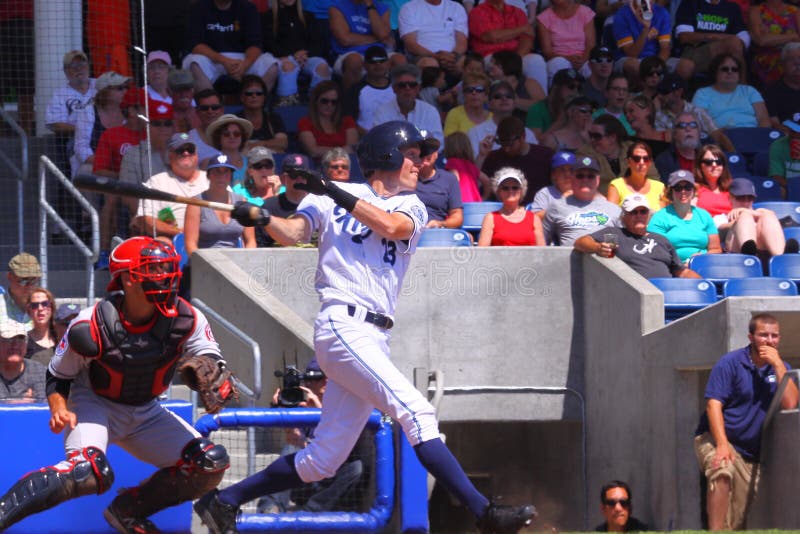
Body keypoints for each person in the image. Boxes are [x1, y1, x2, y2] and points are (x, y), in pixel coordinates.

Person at [194, 120, 537, 534]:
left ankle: (224, 500)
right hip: (343, 323)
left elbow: (390, 227)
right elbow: (294, 232)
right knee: (418, 412)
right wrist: (264, 217)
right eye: (412, 153)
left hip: (375, 334)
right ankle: (486, 515)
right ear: (388, 155)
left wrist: (329, 189)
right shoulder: (325, 200)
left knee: (324, 460)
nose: (420, 161)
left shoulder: (413, 205)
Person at [0, 237, 238, 533]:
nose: (163, 277)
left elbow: (210, 354)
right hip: (94, 404)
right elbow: (57, 375)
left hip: (147, 410)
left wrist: (215, 371)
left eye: (166, 268)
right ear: (126, 278)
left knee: (208, 462)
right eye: (152, 270)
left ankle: (127, 512)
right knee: (88, 472)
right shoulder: (91, 324)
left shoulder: (187, 316)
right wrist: (59, 407)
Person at [694, 314, 798, 530]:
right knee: (721, 470)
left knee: (736, 521)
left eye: (774, 336)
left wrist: (778, 364)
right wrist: (722, 444)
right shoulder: (730, 363)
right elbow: (713, 406)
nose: (769, 340)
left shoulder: (781, 368)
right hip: (716, 438)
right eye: (763, 335)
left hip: (751, 454)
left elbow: (790, 404)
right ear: (751, 336)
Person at [256, 359, 366, 513]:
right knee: (290, 449)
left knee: (357, 468)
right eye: (312, 379)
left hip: (331, 479)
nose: (323, 382)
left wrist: (320, 411)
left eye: (321, 378)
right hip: (305, 477)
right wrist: (285, 415)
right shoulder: (302, 406)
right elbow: (293, 440)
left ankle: (310, 513)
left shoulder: (344, 406)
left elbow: (338, 448)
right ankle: (269, 509)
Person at [575, 193, 701, 279]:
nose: (639, 215)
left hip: (666, 292)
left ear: (649, 215)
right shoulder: (615, 234)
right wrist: (597, 247)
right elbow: (581, 242)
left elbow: (682, 271)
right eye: (633, 212)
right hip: (632, 296)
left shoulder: (661, 240)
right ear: (624, 216)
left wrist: (704, 284)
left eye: (643, 211)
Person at [183, 0, 279, 92]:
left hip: (242, 58)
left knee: (271, 65)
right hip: (211, 58)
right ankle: (211, 105)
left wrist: (245, 65)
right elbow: (195, 45)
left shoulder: (248, 7)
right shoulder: (198, 7)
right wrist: (224, 61)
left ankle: (254, 107)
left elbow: (255, 44)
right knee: (194, 63)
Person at [131, 133, 209, 240]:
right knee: (161, 242)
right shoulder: (156, 182)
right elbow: (145, 220)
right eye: (180, 150)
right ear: (170, 155)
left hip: (210, 239)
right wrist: (179, 232)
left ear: (196, 155)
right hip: (173, 241)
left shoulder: (211, 180)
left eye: (190, 150)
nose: (186, 153)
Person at [184, 153, 257, 256]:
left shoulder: (242, 202)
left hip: (234, 263)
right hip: (205, 263)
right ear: (208, 175)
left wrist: (246, 260)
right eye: (217, 172)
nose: (221, 176)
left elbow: (251, 241)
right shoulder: (196, 203)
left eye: (226, 172)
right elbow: (190, 245)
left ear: (231, 175)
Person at [262, 0, 332, 106]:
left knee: (322, 67)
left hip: (306, 57)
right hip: (281, 57)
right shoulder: (268, 17)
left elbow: (317, 42)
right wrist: (292, 55)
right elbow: (268, 44)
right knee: (288, 66)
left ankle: (317, 103)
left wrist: (305, 54)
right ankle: (287, 106)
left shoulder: (308, 16)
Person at [543, 155, 622, 246]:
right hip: (567, 259)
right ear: (572, 179)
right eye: (580, 176)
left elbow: (621, 244)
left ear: (598, 180)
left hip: (604, 258)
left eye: (590, 176)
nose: (585, 180)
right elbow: (543, 243)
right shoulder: (556, 207)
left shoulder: (614, 210)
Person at [647, 170, 722, 263]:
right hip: (671, 267)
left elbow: (716, 249)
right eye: (678, 188)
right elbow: (655, 250)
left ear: (694, 190)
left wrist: (703, 257)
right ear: (671, 191)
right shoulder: (660, 217)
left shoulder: (704, 216)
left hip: (702, 265)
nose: (683, 191)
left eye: (688, 187)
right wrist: (679, 265)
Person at [467, 0, 544, 90]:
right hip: (491, 56)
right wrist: (522, 29)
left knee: (536, 60)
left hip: (517, 55)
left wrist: (515, 59)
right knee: (498, 66)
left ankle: (540, 100)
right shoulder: (477, 12)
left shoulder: (518, 12)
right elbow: (491, 37)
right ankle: (502, 98)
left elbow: (527, 38)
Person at [328, 0, 402, 92]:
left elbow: (382, 34)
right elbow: (345, 40)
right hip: (347, 54)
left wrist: (370, 6)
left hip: (378, 52)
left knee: (399, 60)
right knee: (354, 60)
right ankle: (351, 101)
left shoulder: (382, 7)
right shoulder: (336, 7)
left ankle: (396, 101)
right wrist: (376, 38)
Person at [481, 116, 554, 206]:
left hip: (540, 210)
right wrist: (482, 155)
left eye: (510, 144)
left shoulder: (545, 155)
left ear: (523, 136)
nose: (506, 149)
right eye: (503, 144)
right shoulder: (494, 158)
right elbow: (479, 183)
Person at [45, 50, 97, 174]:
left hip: (102, 134)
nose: (78, 69)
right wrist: (83, 129)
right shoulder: (60, 94)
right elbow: (55, 124)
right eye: (73, 66)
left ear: (88, 66)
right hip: (75, 138)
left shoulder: (99, 85)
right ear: (66, 72)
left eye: (82, 64)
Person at [72, 71, 130, 179]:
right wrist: (105, 164)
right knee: (85, 172)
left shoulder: (130, 112)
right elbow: (81, 148)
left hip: (127, 165)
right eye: (120, 88)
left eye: (126, 87)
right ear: (105, 92)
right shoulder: (88, 112)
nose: (125, 91)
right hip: (97, 165)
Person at [654, 74, 735, 153]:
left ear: (678, 92)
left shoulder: (698, 112)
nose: (659, 96)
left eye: (664, 92)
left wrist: (734, 155)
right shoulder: (658, 117)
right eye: (659, 91)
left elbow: (718, 136)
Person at [674, 0, 750, 81]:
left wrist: (722, 40)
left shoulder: (732, 7)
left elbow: (744, 38)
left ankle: (740, 89)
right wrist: (715, 37)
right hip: (695, 51)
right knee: (733, 43)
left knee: (735, 44)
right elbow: (684, 37)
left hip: (725, 53)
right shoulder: (690, 3)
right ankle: (742, 89)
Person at [372, 64, 445, 147]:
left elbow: (439, 144)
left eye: (412, 85)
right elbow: (378, 143)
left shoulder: (430, 111)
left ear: (418, 88)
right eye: (402, 85)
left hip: (424, 158)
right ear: (394, 88)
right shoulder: (382, 112)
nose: (407, 88)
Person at [691, 54, 771, 130]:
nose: (730, 72)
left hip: (752, 135)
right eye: (725, 69)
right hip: (719, 137)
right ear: (715, 72)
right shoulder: (702, 94)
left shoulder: (750, 91)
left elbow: (764, 121)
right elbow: (701, 124)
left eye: (734, 69)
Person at [718, 178, 793, 256]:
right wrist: (742, 217)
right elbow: (720, 232)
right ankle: (749, 255)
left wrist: (754, 213)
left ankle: (781, 257)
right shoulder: (721, 218)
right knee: (745, 217)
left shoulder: (762, 215)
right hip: (736, 255)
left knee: (768, 215)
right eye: (740, 198)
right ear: (730, 198)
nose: (746, 202)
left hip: (764, 253)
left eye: (750, 198)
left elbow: (770, 216)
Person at [469, 80, 538, 163]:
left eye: (508, 96)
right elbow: (473, 168)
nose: (504, 98)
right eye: (498, 96)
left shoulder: (528, 133)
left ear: (514, 102)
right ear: (490, 104)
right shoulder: (475, 133)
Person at [478, 167, 545, 246]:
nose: (510, 191)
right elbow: (482, 251)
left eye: (515, 187)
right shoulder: (490, 218)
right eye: (505, 188)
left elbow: (542, 251)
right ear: (498, 191)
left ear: (521, 190)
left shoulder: (534, 219)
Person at [258, 154, 313, 247]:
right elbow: (262, 246)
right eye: (294, 175)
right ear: (283, 178)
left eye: (303, 175)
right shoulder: (269, 207)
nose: (299, 179)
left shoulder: (317, 206)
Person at [398, 0, 468, 74]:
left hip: (453, 56)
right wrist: (436, 56)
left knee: (466, 63)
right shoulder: (409, 8)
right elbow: (410, 44)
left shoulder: (456, 7)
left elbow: (462, 41)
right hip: (422, 56)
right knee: (430, 64)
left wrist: (453, 56)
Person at [119, 102, 175, 190]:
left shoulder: (184, 152)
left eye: (167, 124)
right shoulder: (132, 155)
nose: (162, 128)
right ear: (147, 126)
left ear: (173, 127)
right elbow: (128, 196)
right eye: (156, 123)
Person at [537, 0, 596, 84]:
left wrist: (582, 60)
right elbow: (547, 52)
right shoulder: (544, 17)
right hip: (559, 59)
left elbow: (590, 45)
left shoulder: (585, 12)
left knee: (591, 67)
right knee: (558, 64)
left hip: (583, 57)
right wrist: (568, 59)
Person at [299, 80, 359, 160]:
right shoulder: (305, 123)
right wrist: (342, 151)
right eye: (324, 101)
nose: (329, 105)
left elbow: (352, 150)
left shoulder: (347, 121)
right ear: (316, 101)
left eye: (334, 102)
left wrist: (323, 151)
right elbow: (313, 151)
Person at [612, 0, 672, 80]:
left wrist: (656, 66)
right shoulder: (622, 14)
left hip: (656, 59)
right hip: (628, 59)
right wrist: (645, 29)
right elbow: (632, 54)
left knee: (685, 66)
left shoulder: (662, 12)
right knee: (635, 66)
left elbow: (665, 48)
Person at [344, 45, 395, 134]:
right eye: (372, 61)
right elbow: (349, 122)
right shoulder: (355, 91)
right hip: (365, 141)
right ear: (365, 65)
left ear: (388, 63)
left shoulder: (399, 88)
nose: (378, 64)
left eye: (381, 61)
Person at [748, 0, 800, 86]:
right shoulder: (756, 10)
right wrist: (793, 36)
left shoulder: (796, 11)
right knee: (785, 63)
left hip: (794, 54)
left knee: (793, 61)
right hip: (767, 58)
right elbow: (761, 40)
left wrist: (771, 37)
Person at [415, 140, 464, 228]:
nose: (426, 154)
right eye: (422, 150)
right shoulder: (404, 178)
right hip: (408, 231)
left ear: (436, 154)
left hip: (436, 232)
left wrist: (440, 224)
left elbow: (457, 215)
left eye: (430, 150)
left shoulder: (449, 179)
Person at [526, 68, 584, 138]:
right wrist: (560, 122)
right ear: (557, 87)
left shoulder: (581, 110)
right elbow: (535, 144)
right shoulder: (537, 109)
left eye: (579, 88)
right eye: (571, 86)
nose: (575, 91)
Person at [237, 75, 289, 153]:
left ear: (264, 97)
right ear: (242, 97)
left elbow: (282, 143)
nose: (254, 96)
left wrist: (259, 144)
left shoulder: (273, 118)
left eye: (259, 93)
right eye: (249, 93)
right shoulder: (236, 120)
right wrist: (270, 144)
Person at [607, 141, 665, 210]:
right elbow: (610, 215)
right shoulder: (616, 185)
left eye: (646, 159)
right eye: (637, 159)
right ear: (628, 162)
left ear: (650, 162)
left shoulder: (659, 187)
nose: (641, 162)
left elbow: (663, 217)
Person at [0, 319, 46, 403]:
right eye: (9, 339)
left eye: (20, 339)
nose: (15, 345)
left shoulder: (39, 372)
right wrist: (14, 405)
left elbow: (46, 407)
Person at [203, 114, 254, 183]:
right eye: (226, 134)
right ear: (218, 138)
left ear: (242, 137)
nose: (232, 137)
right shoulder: (209, 163)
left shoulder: (251, 163)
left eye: (236, 134)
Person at [654, 111, 702, 179]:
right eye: (682, 125)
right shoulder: (664, 160)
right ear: (674, 134)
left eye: (693, 125)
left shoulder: (708, 156)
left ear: (699, 132)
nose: (688, 129)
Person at [444, 132, 490, 202]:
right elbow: (487, 181)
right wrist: (483, 198)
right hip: (475, 203)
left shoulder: (451, 162)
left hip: (461, 203)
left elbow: (454, 179)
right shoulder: (471, 165)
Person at [763, 43, 800, 130]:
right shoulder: (771, 91)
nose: (797, 63)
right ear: (782, 64)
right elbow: (774, 124)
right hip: (787, 139)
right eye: (791, 59)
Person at [694, 144, 733, 223]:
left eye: (718, 162)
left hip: (733, 226)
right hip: (709, 228)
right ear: (700, 166)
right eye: (708, 162)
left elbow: (746, 209)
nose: (714, 165)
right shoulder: (693, 188)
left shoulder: (732, 186)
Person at [443, 72, 491, 136]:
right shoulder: (454, 114)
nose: (474, 93)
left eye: (479, 90)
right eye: (469, 90)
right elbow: (450, 143)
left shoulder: (493, 118)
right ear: (464, 94)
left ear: (486, 94)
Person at [528, 151, 574, 216]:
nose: (567, 174)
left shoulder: (584, 191)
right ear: (553, 174)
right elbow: (535, 217)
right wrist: (561, 204)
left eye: (571, 170)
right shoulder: (545, 193)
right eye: (562, 170)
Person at [1, 253, 42, 327]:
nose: (29, 286)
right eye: (24, 281)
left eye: (33, 280)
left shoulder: (44, 306)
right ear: (10, 277)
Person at [189, 89, 227, 163]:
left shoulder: (234, 135)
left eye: (215, 107)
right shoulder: (189, 138)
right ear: (197, 111)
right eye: (204, 108)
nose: (210, 111)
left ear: (222, 110)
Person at [24, 288, 57, 366]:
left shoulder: (61, 338)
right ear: (29, 311)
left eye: (45, 304)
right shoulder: (24, 342)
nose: (40, 308)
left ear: (52, 308)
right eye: (34, 305)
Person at [768, 112, 800, 188]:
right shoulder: (778, 145)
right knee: (778, 190)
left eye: (798, 132)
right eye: (792, 130)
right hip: (790, 188)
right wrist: (794, 189)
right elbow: (776, 176)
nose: (794, 135)